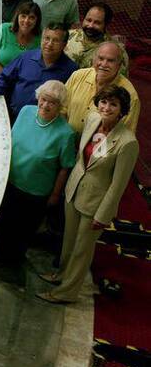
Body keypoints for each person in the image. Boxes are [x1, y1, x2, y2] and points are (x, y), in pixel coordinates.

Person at [38, 86, 139, 305]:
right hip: (75, 190)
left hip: (96, 202)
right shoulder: (93, 119)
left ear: (122, 111)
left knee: (82, 250)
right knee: (68, 241)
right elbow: (82, 159)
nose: (106, 107)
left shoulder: (127, 142)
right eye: (103, 102)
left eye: (113, 104)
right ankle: (61, 275)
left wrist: (103, 215)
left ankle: (66, 292)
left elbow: (118, 185)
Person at [0, 80, 76, 265]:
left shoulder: (65, 133)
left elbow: (65, 167)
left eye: (52, 102)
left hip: (36, 192)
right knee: (5, 222)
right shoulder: (25, 112)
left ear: (60, 106)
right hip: (11, 181)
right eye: (44, 99)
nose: (45, 105)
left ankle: (14, 262)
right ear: (38, 97)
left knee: (23, 230)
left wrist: (55, 195)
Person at [0, 24, 77, 121]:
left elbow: (68, 104)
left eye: (55, 40)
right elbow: (5, 79)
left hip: (43, 125)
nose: (49, 44)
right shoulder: (26, 57)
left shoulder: (71, 70)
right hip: (13, 116)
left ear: (64, 45)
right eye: (47, 38)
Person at [64, 41, 140, 133]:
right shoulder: (78, 75)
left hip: (100, 146)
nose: (104, 64)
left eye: (110, 60)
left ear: (119, 65)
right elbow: (61, 108)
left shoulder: (130, 94)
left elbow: (125, 132)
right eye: (101, 58)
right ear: (94, 60)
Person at [0, 0, 41, 75]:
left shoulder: (41, 39)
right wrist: (6, 78)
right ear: (17, 16)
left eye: (31, 18)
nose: (26, 21)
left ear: (37, 21)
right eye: (23, 16)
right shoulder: (4, 29)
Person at [65, 4, 125, 71]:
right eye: (88, 20)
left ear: (106, 25)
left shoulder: (115, 51)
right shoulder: (68, 36)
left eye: (97, 23)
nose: (90, 25)